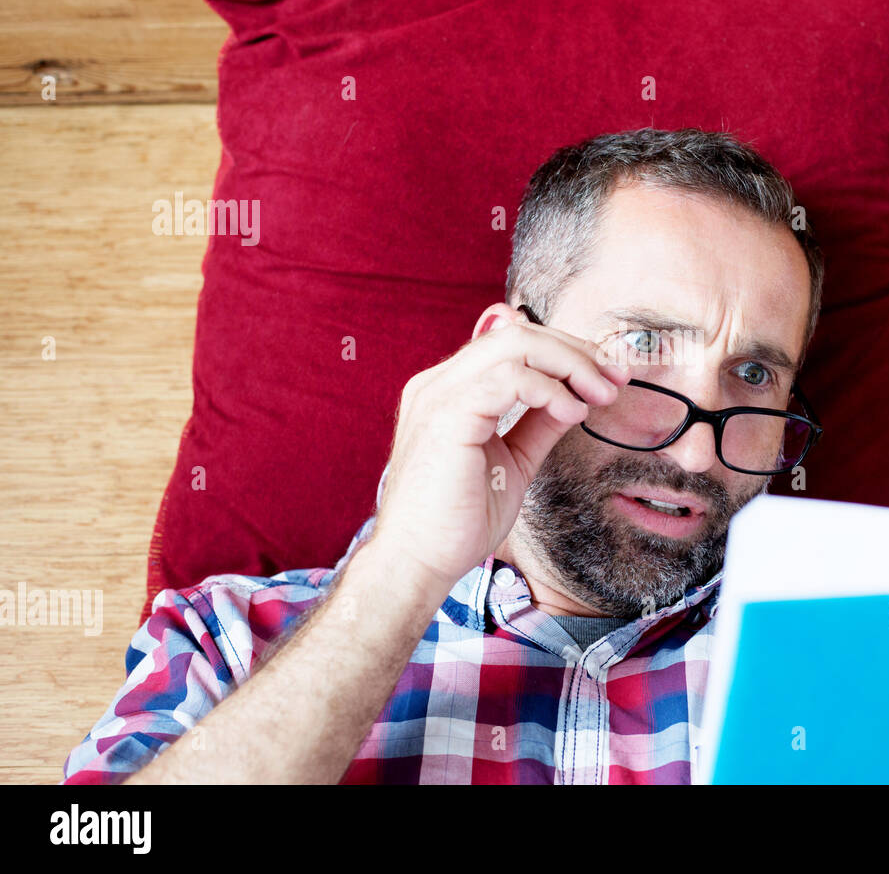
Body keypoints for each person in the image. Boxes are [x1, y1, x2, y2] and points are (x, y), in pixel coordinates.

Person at [62, 127, 825, 784]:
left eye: (754, 374)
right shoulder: (227, 641)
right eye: (644, 345)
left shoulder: (849, 666)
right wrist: (406, 569)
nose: (696, 454)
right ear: (510, 354)